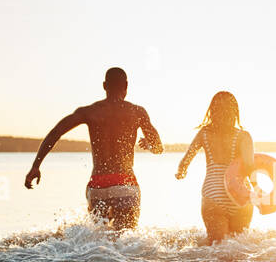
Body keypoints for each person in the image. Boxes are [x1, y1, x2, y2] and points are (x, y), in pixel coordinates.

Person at [23, 66, 163, 229]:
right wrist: (148, 144)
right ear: (126, 86)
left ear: (104, 86)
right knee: (127, 241)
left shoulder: (90, 112)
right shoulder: (136, 112)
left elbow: (56, 132)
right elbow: (159, 148)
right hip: (125, 183)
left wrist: (35, 166)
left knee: (97, 242)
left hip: (98, 184)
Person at [175, 91, 255, 244]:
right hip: (240, 195)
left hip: (213, 193)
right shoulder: (244, 136)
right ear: (235, 111)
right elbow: (250, 167)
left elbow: (185, 162)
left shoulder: (204, 133)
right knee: (237, 249)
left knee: (216, 247)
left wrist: (180, 173)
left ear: (212, 111)